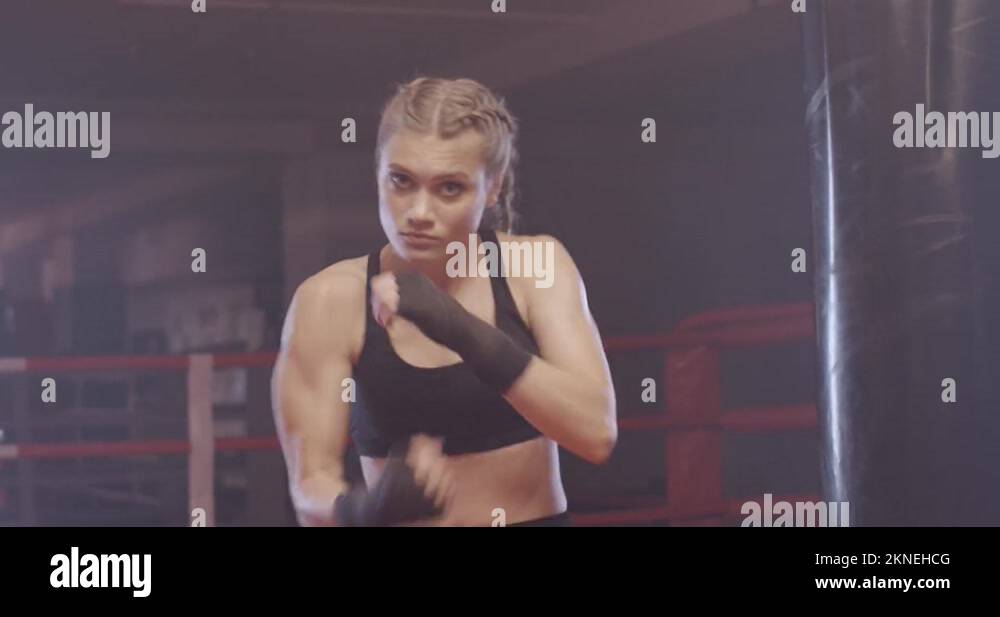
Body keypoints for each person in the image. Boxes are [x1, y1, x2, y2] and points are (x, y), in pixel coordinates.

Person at [272, 77, 617, 526]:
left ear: (492, 188)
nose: (418, 211)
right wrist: (362, 508)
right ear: (378, 171)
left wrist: (460, 329)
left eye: (449, 188)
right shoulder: (329, 301)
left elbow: (596, 433)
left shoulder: (534, 267)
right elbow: (308, 485)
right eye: (401, 181)